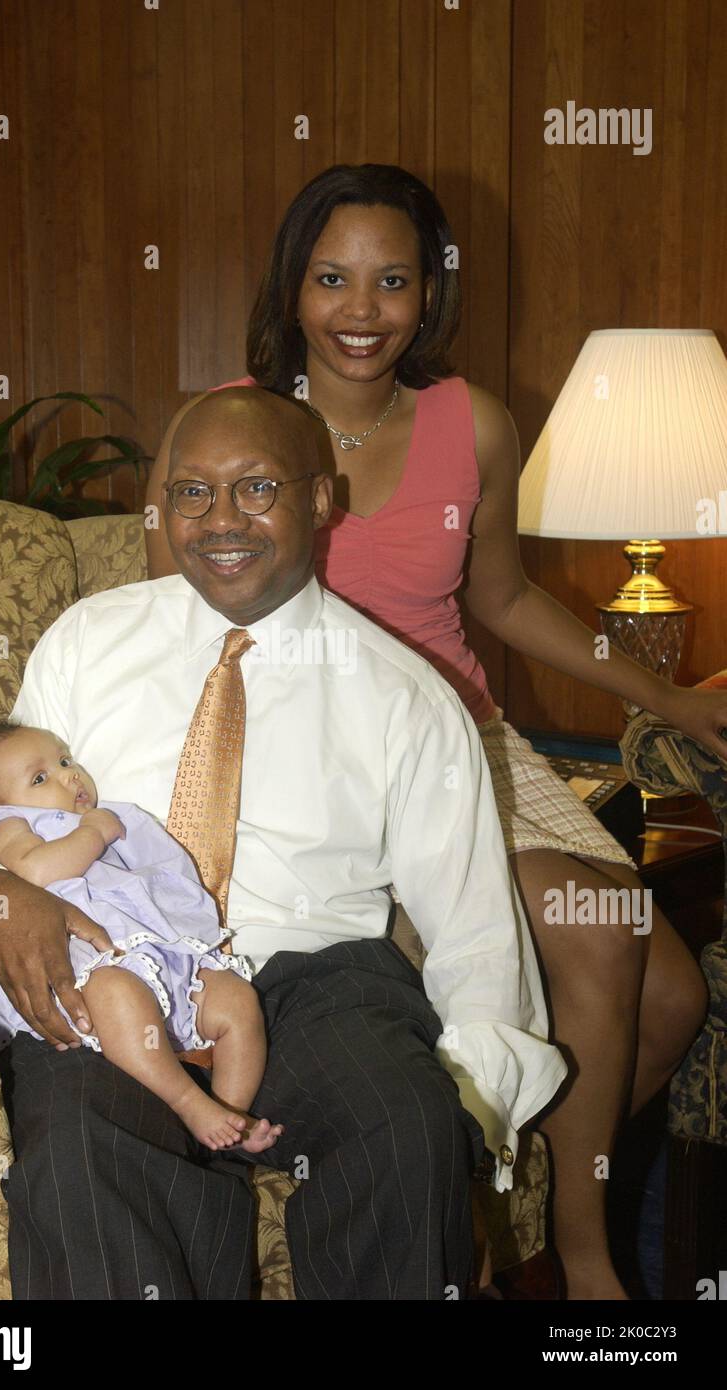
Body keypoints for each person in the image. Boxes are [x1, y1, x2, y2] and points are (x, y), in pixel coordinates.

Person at [144, 163, 725, 1300]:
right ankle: (582, 1259)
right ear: (292, 288)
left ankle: (503, 1192)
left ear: (429, 293)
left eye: (392, 281)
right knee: (597, 938)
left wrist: (667, 701)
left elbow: (502, 601)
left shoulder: (474, 425)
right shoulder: (231, 429)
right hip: (330, 754)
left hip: (472, 736)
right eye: (332, 280)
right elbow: (172, 621)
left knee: (672, 998)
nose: (361, 311)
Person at [0, 386, 566, 1302]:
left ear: (318, 500)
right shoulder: (87, 643)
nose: (220, 520)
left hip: (315, 982)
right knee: (76, 1147)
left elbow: (472, 934)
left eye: (255, 488)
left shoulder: (403, 697)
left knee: (401, 1122)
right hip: (117, 971)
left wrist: (470, 1137)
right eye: (191, 493)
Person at [0, 721, 282, 1154]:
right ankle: (189, 1103)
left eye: (65, 760)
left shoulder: (113, 817)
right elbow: (36, 872)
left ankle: (231, 1111)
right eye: (40, 777)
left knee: (236, 999)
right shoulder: (12, 825)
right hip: (84, 965)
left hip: (154, 956)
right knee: (118, 992)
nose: (70, 775)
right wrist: (93, 833)